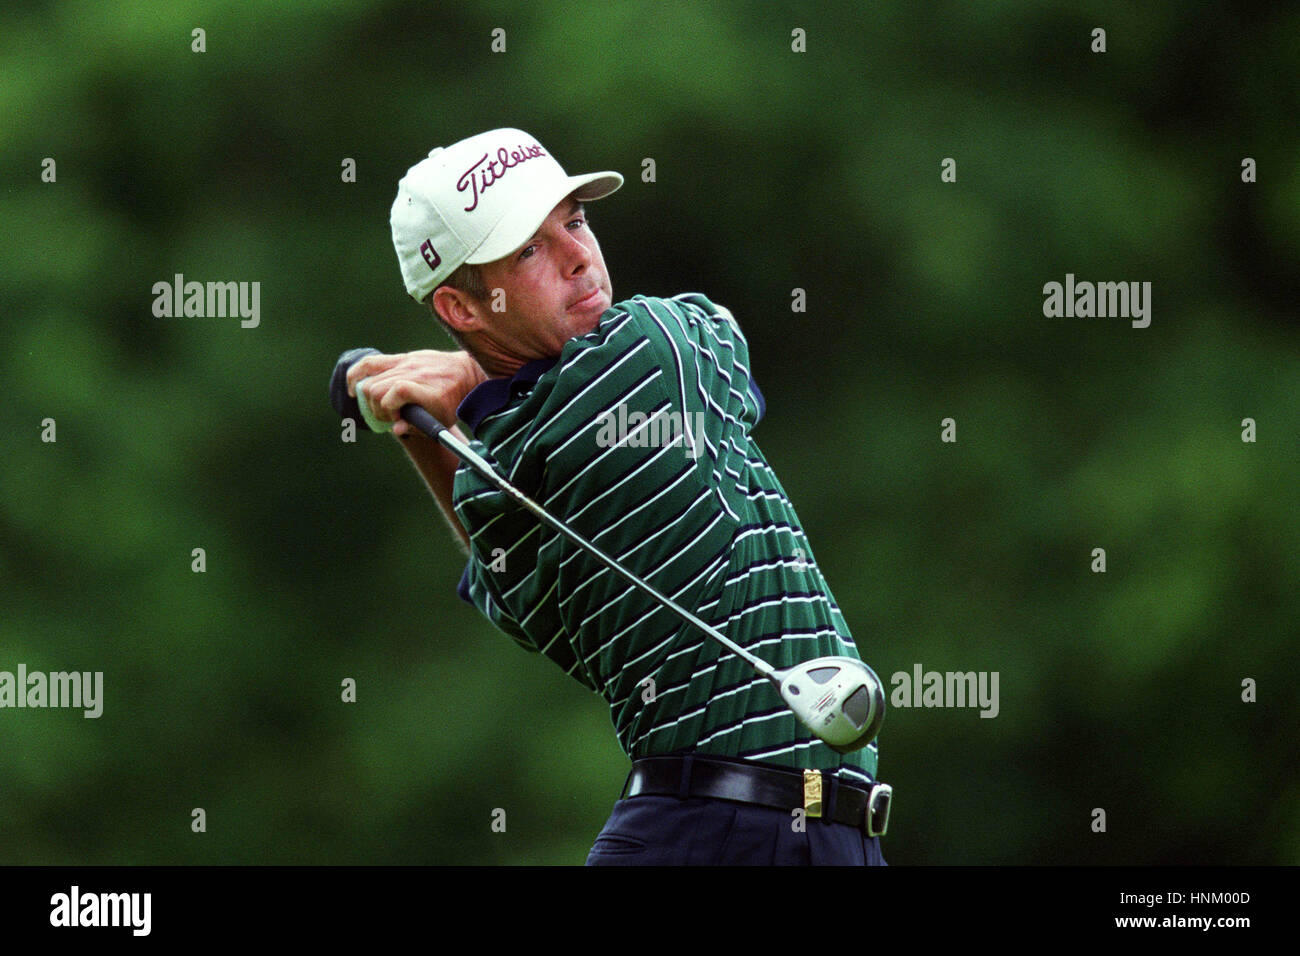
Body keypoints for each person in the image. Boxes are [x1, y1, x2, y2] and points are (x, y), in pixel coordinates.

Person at [347, 128, 891, 865]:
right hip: (716, 828)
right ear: (463, 308)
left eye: (574, 221)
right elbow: (533, 610)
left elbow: (509, 562)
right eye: (529, 250)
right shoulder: (647, 349)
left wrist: (437, 423)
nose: (578, 255)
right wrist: (446, 421)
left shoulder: (629, 366)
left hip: (798, 834)